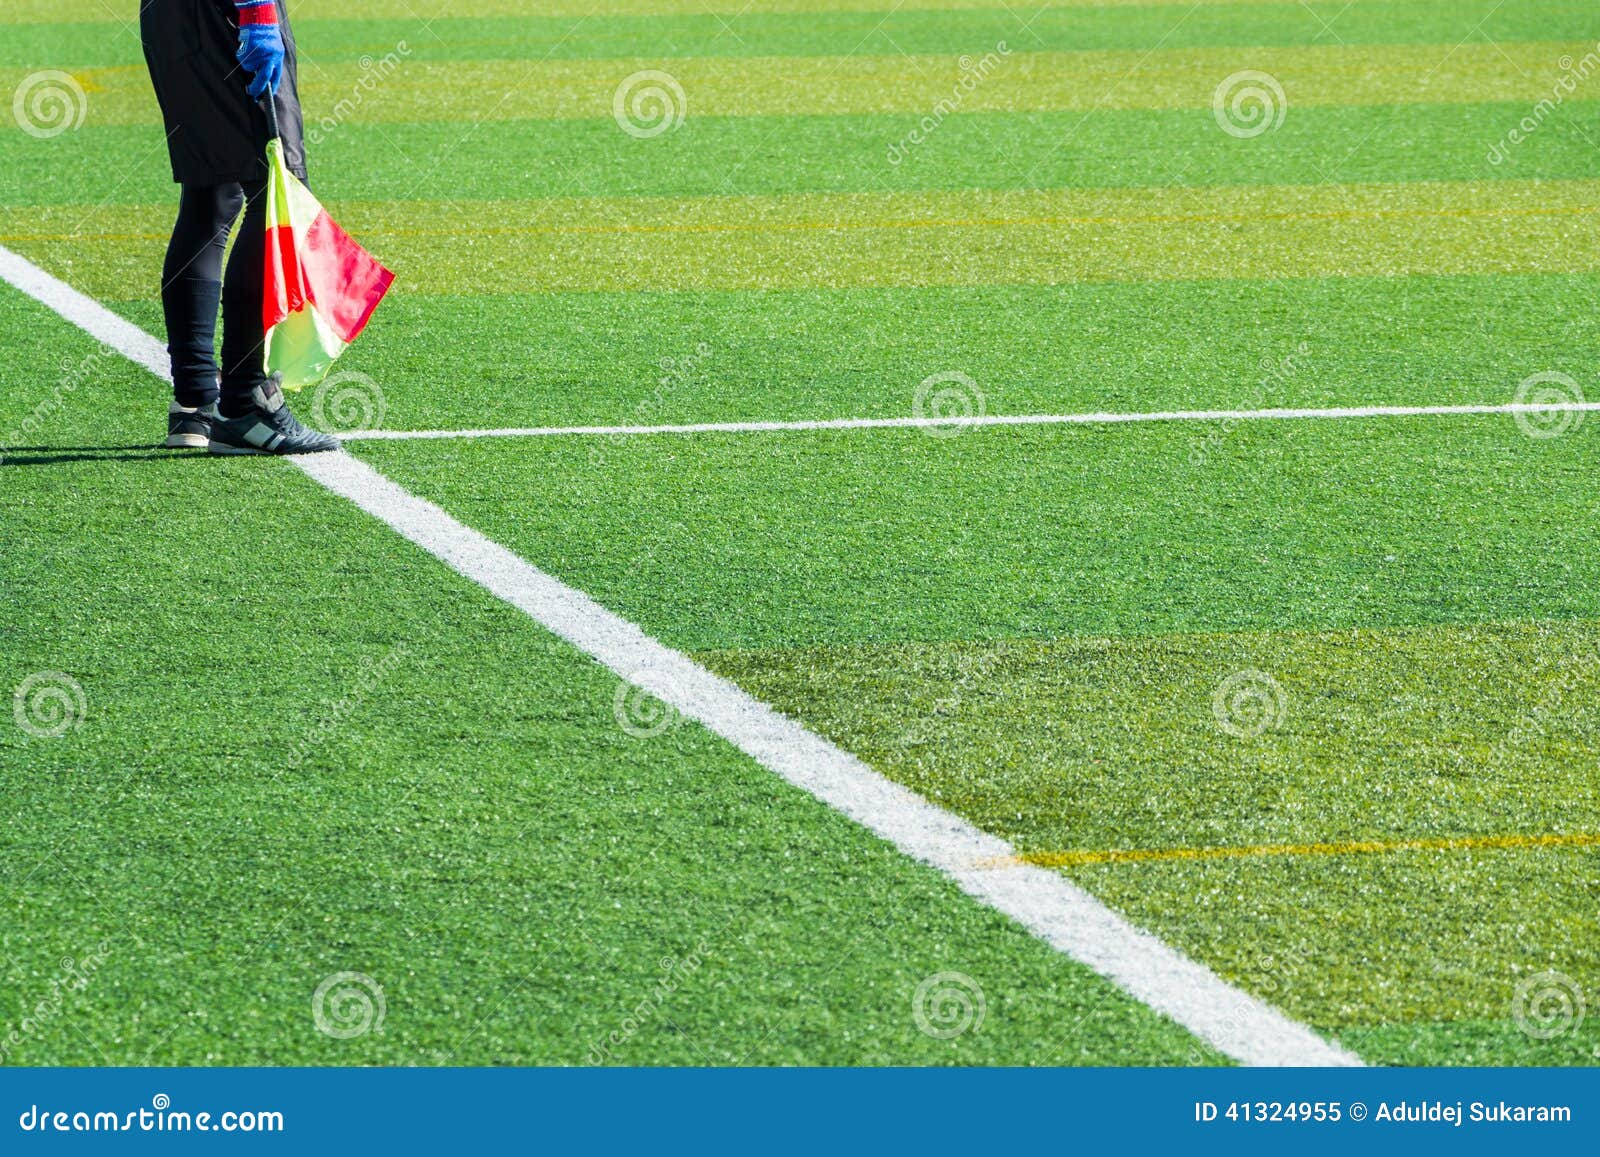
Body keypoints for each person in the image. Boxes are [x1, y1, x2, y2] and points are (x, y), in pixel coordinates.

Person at [140, 0, 338, 454]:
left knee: (212, 192)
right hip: (229, 15)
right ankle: (245, 403)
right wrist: (258, 13)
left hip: (170, 17)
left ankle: (194, 405)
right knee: (276, 190)